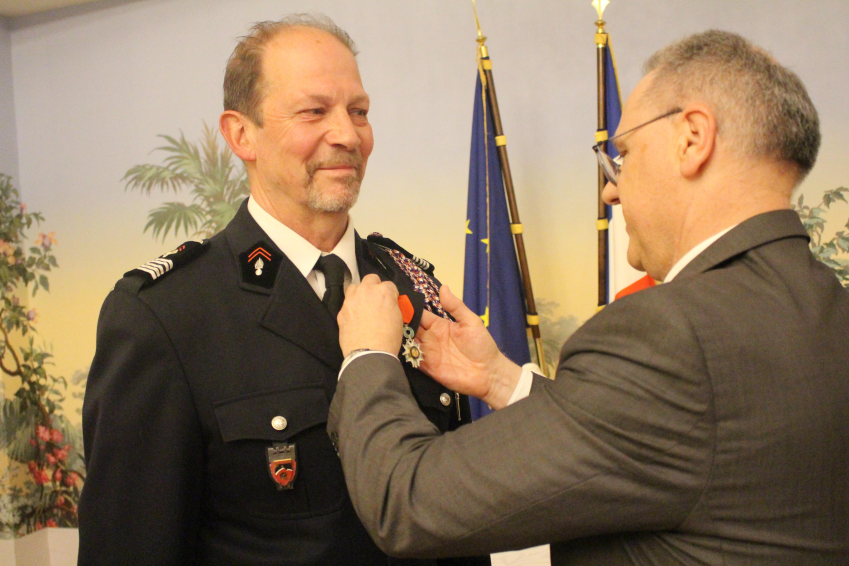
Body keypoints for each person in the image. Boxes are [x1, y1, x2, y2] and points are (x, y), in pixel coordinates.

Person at [328, 30, 849, 565]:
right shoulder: (826, 306)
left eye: (623, 155)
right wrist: (502, 381)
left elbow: (408, 503)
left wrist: (368, 356)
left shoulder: (670, 337)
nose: (611, 189)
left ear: (693, 138)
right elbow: (667, 442)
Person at [79, 14, 487, 566]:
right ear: (241, 135)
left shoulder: (411, 285)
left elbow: (453, 527)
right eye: (314, 111)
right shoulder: (165, 316)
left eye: (359, 111)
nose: (348, 135)